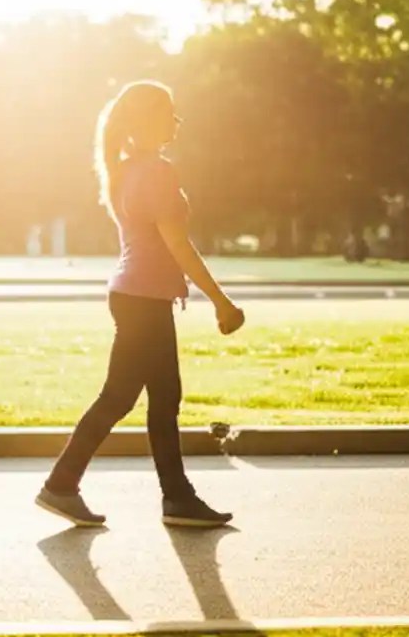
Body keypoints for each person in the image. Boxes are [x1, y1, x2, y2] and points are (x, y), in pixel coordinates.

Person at [36, 80, 245, 529]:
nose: (177, 121)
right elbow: (179, 246)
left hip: (135, 296)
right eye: (169, 111)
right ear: (148, 120)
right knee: (122, 398)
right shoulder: (156, 172)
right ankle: (64, 485)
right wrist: (221, 301)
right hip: (144, 299)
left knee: (159, 398)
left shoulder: (124, 170)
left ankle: (174, 498)